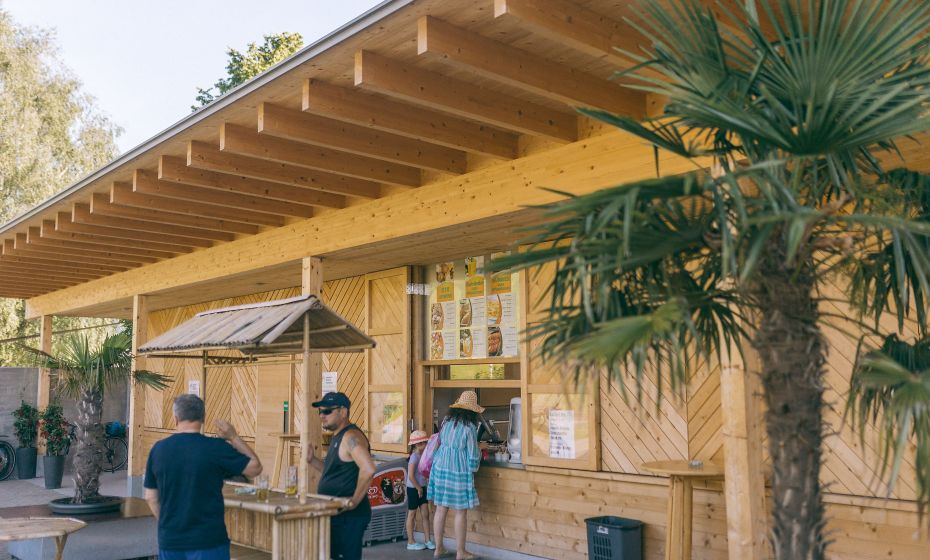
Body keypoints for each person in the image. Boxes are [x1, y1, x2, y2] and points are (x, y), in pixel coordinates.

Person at [144, 394, 262, 560]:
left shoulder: (158, 449)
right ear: (203, 418)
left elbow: (150, 497)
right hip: (209, 540)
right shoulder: (216, 448)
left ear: (175, 418)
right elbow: (255, 468)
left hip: (171, 540)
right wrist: (233, 436)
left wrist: (169, 525)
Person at [307, 392, 376, 560]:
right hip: (338, 514)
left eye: (328, 411)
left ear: (343, 412)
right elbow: (334, 473)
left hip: (348, 516)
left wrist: (353, 501)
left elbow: (368, 469)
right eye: (320, 412)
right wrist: (312, 460)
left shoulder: (351, 437)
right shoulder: (339, 436)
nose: (322, 416)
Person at [427, 391, 483, 560]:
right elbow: (472, 454)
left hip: (440, 467)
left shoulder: (447, 421)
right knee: (460, 512)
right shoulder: (470, 428)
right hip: (457, 470)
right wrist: (475, 465)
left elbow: (443, 442)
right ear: (472, 411)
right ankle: (460, 552)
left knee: (441, 508)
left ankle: (438, 548)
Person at [406, 430, 435, 551]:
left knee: (425, 514)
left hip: (422, 488)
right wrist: (418, 488)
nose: (425, 445)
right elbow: (411, 476)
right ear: (417, 444)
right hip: (414, 489)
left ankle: (428, 540)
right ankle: (410, 541)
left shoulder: (423, 455)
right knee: (412, 514)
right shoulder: (414, 457)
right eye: (423, 443)